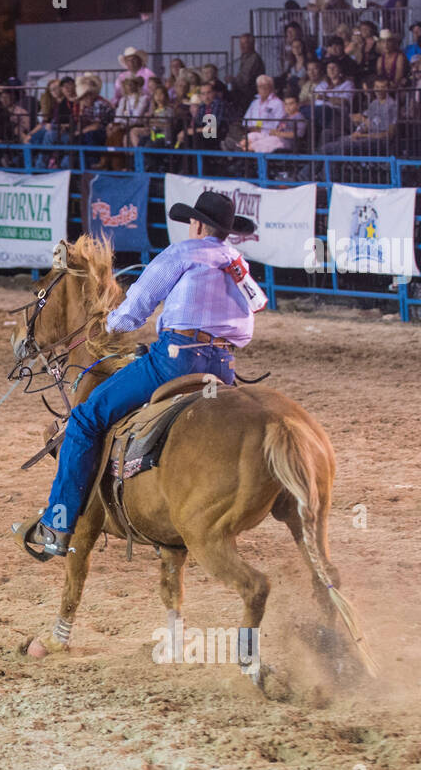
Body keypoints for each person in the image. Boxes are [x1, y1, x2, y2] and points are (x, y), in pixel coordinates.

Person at [13, 192, 257, 559]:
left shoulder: (182, 253)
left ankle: (57, 523)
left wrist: (109, 324)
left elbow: (139, 304)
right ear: (224, 231)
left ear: (197, 224)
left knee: (84, 418)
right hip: (224, 364)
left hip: (175, 360)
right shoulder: (236, 263)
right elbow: (255, 304)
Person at [322, 78, 398, 155]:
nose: (380, 90)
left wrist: (362, 134)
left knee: (339, 147)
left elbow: (388, 135)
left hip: (379, 142)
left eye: (383, 87)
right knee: (330, 144)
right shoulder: (374, 103)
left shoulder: (392, 106)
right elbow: (368, 125)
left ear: (388, 88)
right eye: (377, 87)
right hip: (367, 137)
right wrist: (358, 132)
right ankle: (316, 164)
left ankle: (324, 165)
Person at [237, 75, 286, 152]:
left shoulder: (277, 103)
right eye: (260, 86)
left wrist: (262, 128)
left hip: (269, 135)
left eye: (265, 86)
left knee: (255, 143)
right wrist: (252, 128)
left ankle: (239, 150)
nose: (263, 89)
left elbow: (279, 125)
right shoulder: (255, 103)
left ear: (271, 87)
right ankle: (239, 148)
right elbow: (246, 121)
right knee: (249, 137)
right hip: (254, 132)